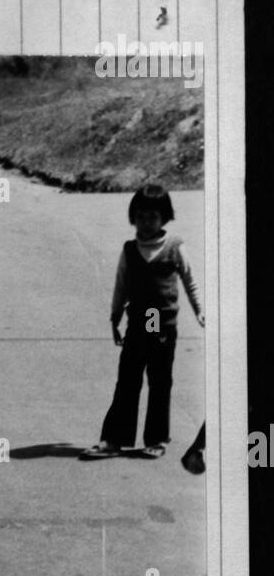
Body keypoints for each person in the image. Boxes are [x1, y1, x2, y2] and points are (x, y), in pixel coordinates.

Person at [81, 183, 205, 461]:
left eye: (152, 217)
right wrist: (115, 317)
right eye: (140, 217)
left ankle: (156, 438)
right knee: (127, 380)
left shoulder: (174, 247)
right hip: (139, 325)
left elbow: (190, 280)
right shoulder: (129, 250)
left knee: (160, 382)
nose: (146, 223)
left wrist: (199, 310)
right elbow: (120, 286)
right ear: (133, 217)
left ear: (164, 218)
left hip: (162, 326)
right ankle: (113, 439)